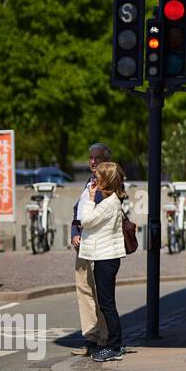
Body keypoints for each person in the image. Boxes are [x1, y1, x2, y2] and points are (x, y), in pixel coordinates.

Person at [77, 161, 128, 362]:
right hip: (104, 257)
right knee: (106, 302)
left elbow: (86, 221)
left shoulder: (109, 203)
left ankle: (115, 346)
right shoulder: (111, 201)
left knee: (107, 303)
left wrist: (90, 199)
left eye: (98, 178)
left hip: (107, 259)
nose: (95, 181)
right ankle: (114, 345)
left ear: (106, 180)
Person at [70, 143, 111, 356]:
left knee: (102, 294)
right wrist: (74, 234)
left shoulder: (110, 183)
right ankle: (91, 337)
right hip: (83, 243)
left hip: (100, 245)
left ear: (106, 160)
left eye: (97, 158)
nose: (93, 161)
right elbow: (78, 211)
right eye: (90, 158)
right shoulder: (89, 182)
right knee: (84, 290)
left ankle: (106, 338)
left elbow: (100, 215)